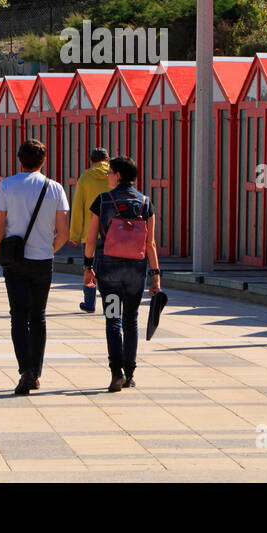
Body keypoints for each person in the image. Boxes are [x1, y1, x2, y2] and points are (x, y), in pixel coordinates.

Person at [0, 138, 69, 395]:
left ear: (18, 159)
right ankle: (36, 372)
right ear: (43, 161)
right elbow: (64, 232)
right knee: (39, 316)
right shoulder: (55, 188)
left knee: (18, 316)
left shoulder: (7, 185)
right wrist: (48, 249)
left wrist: (0, 252)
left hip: (14, 262)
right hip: (43, 261)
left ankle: (24, 368)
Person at [83, 155, 161, 392]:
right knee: (131, 320)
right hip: (135, 274)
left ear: (118, 175)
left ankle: (116, 371)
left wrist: (87, 267)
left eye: (110, 173)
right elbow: (150, 244)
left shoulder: (103, 201)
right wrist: (155, 275)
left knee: (113, 318)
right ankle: (130, 372)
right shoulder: (146, 202)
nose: (107, 176)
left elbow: (90, 239)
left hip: (109, 273)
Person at [69, 147, 111, 313]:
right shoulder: (115, 175)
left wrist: (75, 234)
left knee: (89, 268)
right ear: (107, 160)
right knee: (109, 272)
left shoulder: (86, 177)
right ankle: (111, 307)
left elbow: (78, 206)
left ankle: (89, 303)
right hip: (113, 234)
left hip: (90, 234)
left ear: (91, 161)